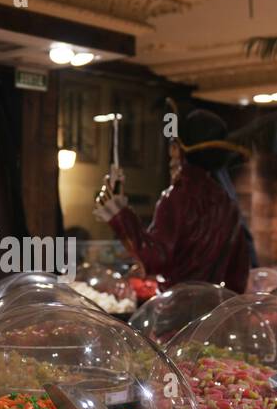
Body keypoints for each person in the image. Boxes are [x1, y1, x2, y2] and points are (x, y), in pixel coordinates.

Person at [93, 109, 251, 291]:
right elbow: (238, 273)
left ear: (178, 150)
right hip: (213, 308)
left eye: (173, 146)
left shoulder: (177, 196)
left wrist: (118, 214)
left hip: (177, 308)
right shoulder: (227, 203)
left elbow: (157, 257)